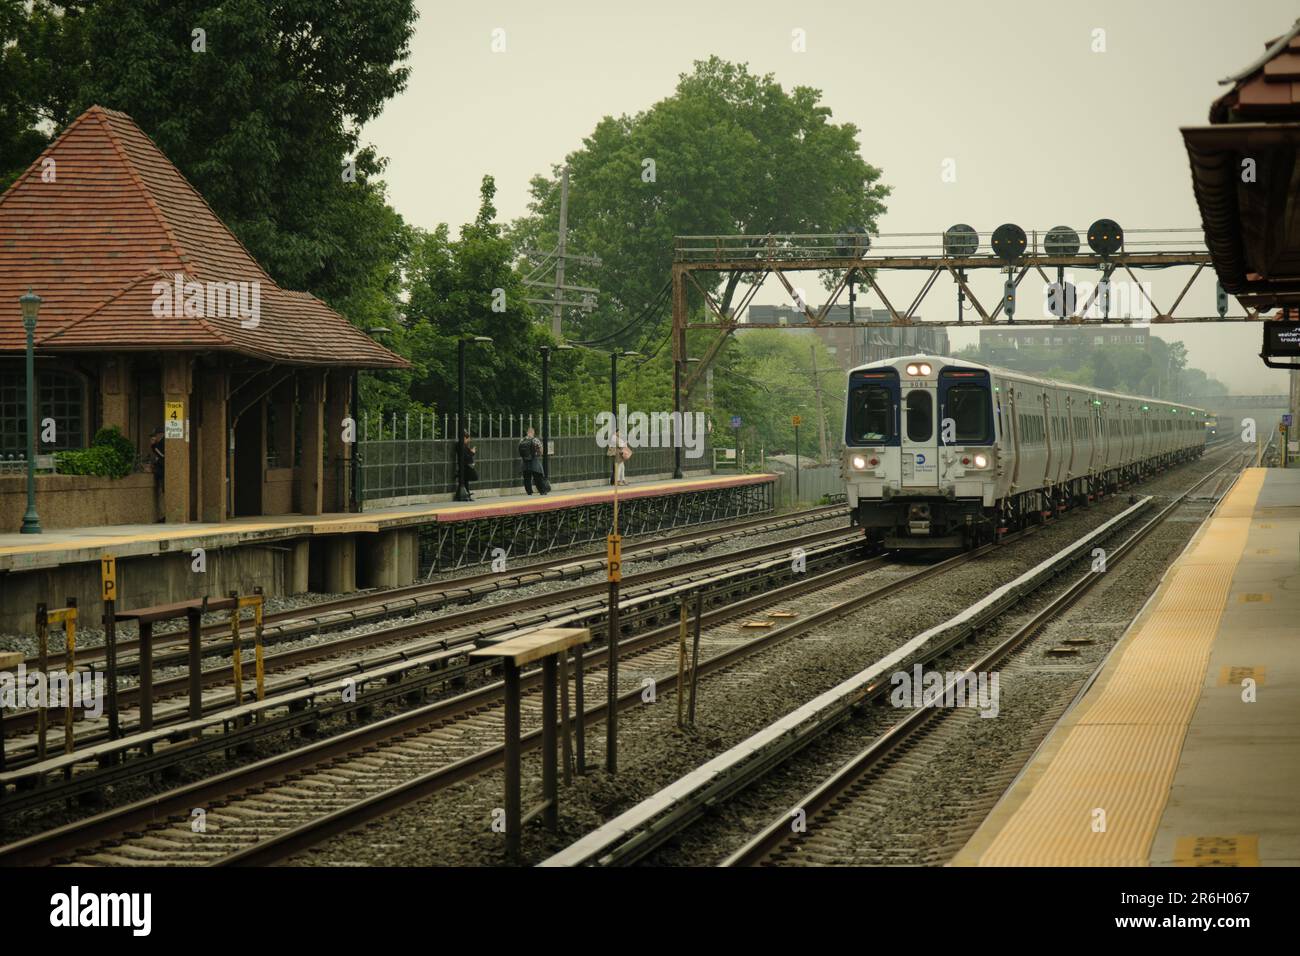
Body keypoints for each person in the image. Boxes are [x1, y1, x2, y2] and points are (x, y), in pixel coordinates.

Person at [519, 426, 549, 495]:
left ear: (527, 432)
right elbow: (541, 449)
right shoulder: (535, 440)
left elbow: (520, 450)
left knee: (526, 477)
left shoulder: (522, 440)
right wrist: (539, 454)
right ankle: (542, 491)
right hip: (534, 460)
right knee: (537, 476)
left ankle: (529, 492)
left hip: (524, 461)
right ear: (533, 432)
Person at [149, 425, 166, 522]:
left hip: (164, 472)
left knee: (166, 492)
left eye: (154, 436)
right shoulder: (161, 443)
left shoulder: (161, 444)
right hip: (162, 471)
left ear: (160, 435)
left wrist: (153, 446)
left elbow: (162, 455)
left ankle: (166, 516)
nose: (153, 438)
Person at [454, 431, 478, 501]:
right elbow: (466, 457)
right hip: (464, 467)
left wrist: (471, 452)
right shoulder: (461, 446)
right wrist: (472, 452)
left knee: (465, 480)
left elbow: (467, 455)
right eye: (468, 438)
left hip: (465, 466)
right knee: (471, 477)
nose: (469, 440)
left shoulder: (463, 446)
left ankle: (465, 495)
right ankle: (463, 495)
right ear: (464, 438)